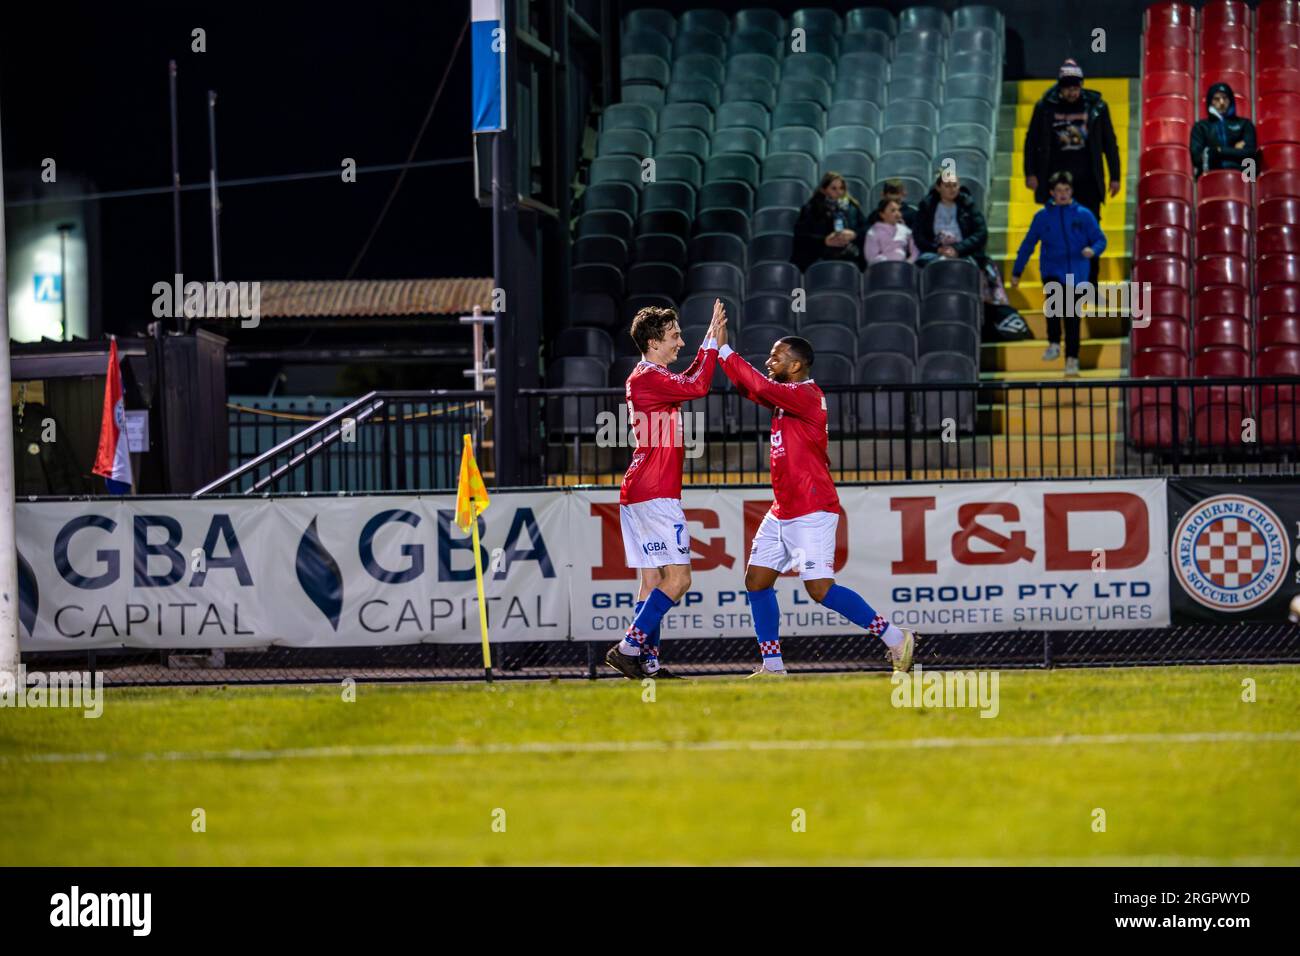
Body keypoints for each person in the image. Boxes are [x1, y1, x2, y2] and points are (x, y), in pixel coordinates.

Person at [714, 330, 918, 676]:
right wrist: (717, 352)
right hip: (783, 509)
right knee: (757, 581)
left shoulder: (805, 394)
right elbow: (749, 388)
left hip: (811, 509)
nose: (769, 361)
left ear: (795, 365)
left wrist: (724, 349)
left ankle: (896, 639)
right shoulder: (787, 395)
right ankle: (773, 667)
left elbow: (760, 387)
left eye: (776, 357)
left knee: (820, 589)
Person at [607, 302, 726, 679]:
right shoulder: (647, 377)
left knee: (653, 582)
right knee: (679, 579)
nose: (680, 342)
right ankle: (627, 649)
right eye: (674, 335)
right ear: (654, 341)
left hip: (642, 490)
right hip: (655, 493)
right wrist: (711, 346)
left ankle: (649, 664)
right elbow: (699, 385)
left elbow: (689, 379)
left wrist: (709, 341)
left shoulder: (650, 375)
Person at [1023, 58, 1120, 286]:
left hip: (1088, 180)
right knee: (1058, 233)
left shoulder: (1097, 107)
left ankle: (1090, 283)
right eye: (1068, 88)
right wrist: (1030, 172)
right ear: (1060, 87)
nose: (1072, 92)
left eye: (1076, 87)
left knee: (1090, 231)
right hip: (1056, 181)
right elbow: (1031, 141)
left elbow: (1109, 143)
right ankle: (1060, 282)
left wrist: (1115, 176)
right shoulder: (1045, 107)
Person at [1010, 171, 1107, 377]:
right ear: (1052, 193)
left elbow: (1100, 239)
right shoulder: (1042, 217)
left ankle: (1072, 358)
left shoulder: (1084, 214)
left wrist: (1093, 250)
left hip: (1077, 272)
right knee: (1054, 302)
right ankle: (1054, 343)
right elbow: (1028, 244)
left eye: (1066, 190)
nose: (1062, 194)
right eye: (1058, 191)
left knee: (1072, 316)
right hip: (1052, 269)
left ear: (1071, 191)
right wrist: (1017, 271)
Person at [792, 172, 868, 272]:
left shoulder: (852, 207)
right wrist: (825, 241)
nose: (839, 192)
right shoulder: (811, 209)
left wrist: (854, 234)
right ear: (823, 190)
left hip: (850, 255)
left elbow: (866, 229)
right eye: (834, 188)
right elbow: (801, 236)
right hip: (819, 256)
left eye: (841, 188)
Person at [913, 172, 989, 268]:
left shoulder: (968, 205)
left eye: (955, 185)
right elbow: (918, 235)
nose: (952, 189)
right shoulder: (926, 207)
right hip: (934, 253)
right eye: (947, 186)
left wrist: (957, 249)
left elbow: (981, 233)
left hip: (964, 253)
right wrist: (938, 249)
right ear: (938, 187)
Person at [1189, 82, 1257, 178]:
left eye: (1225, 98)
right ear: (1210, 101)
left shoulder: (1245, 124)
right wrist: (1234, 150)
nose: (1221, 102)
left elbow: (1250, 154)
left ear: (1230, 100)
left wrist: (1217, 151)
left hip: (1241, 177)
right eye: (1216, 99)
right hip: (1210, 177)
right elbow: (1197, 159)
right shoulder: (1200, 127)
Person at [863, 197, 919, 263]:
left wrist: (908, 262)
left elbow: (915, 250)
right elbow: (871, 258)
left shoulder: (905, 230)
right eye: (893, 211)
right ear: (882, 214)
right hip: (882, 269)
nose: (897, 214)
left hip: (903, 267)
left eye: (898, 210)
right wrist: (890, 263)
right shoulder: (873, 233)